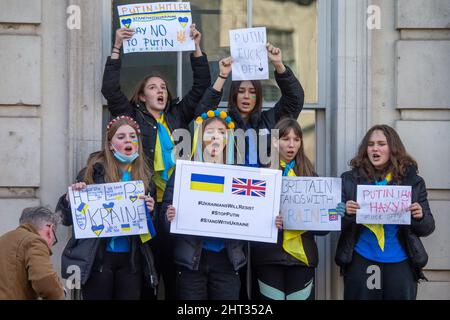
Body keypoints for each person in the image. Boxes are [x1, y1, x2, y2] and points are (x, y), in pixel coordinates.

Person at [101, 24, 211, 299]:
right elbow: (110, 90)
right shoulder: (133, 116)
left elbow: (201, 88)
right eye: (152, 87)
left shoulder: (177, 115)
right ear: (141, 95)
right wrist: (117, 47)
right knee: (147, 277)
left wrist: (196, 48)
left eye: (163, 87)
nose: (160, 91)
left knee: (176, 274)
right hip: (147, 205)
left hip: (175, 205)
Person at [56, 116, 157, 300]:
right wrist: (70, 199)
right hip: (98, 259)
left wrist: (151, 211)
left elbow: (152, 231)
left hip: (131, 260)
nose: (128, 140)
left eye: (133, 136)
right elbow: (67, 219)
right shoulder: (93, 173)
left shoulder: (146, 179)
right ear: (110, 144)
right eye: (121, 136)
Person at [335, 124, 435, 300]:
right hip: (362, 258)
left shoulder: (413, 181)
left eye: (381, 144)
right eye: (371, 144)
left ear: (393, 148)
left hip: (400, 261)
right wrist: (347, 213)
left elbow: (427, 228)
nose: (375, 148)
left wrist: (419, 216)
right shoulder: (349, 180)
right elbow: (334, 221)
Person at [162, 109, 246, 300]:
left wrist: (268, 220)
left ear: (228, 139)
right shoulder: (183, 171)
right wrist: (168, 216)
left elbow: (251, 214)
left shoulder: (240, 174)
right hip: (191, 261)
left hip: (227, 260)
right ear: (200, 137)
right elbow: (164, 216)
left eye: (222, 132)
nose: (216, 136)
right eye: (210, 132)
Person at [251, 118, 327, 300]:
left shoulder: (311, 177)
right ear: (275, 142)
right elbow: (248, 217)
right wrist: (270, 220)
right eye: (285, 139)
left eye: (296, 139)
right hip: (268, 257)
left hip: (303, 259)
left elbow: (323, 229)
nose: (291, 145)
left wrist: (332, 213)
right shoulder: (262, 174)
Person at [226, 43, 305, 167]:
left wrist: (278, 64)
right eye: (241, 91)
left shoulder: (271, 120)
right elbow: (202, 114)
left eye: (252, 92)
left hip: (265, 184)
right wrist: (222, 76)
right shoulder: (223, 122)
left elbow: (295, 99)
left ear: (259, 98)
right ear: (233, 96)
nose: (246, 96)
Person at [0, 206, 64, 300]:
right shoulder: (34, 241)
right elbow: (46, 284)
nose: (50, 245)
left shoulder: (3, 239)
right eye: (54, 239)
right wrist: (60, 292)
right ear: (50, 229)